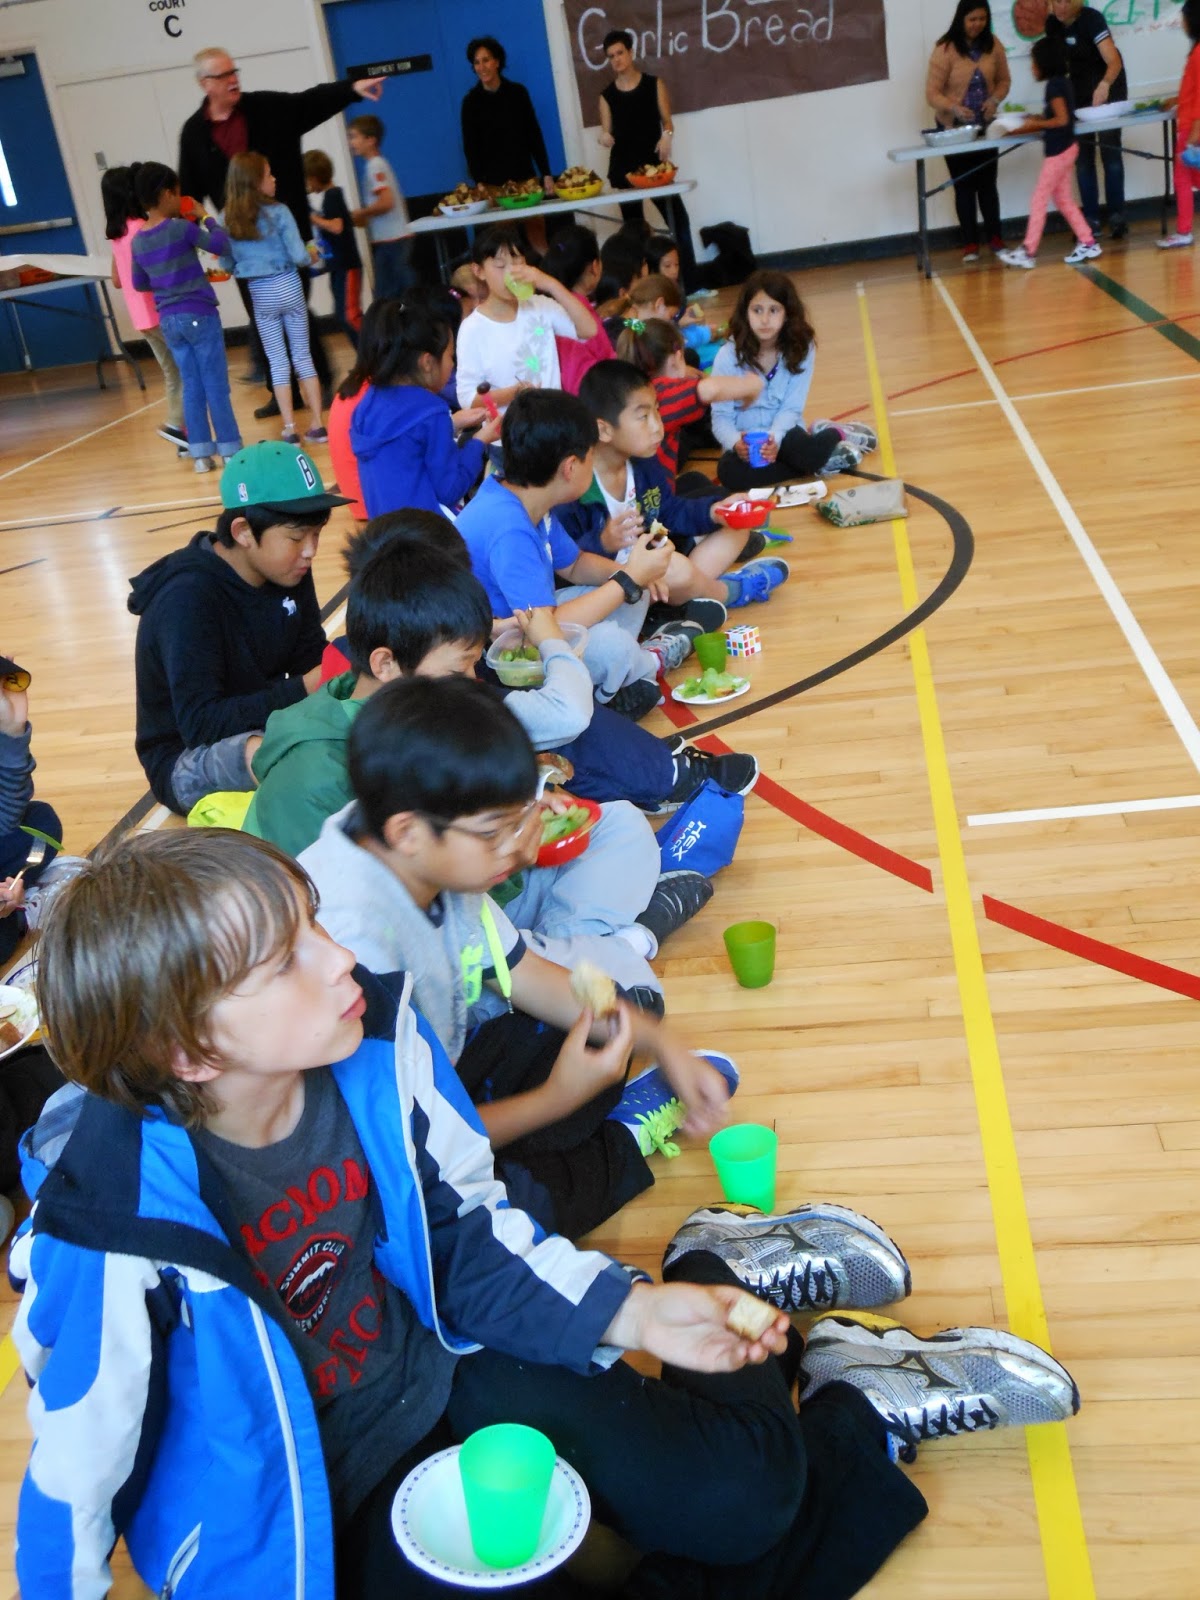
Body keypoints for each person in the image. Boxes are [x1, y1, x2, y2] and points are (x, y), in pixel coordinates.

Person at [12, 825, 1083, 1598]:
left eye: (314, 927)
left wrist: (639, 1314)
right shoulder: (105, 1231)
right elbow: (75, 1469)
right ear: (192, 1050)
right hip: (308, 1511)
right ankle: (852, 1418)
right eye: (285, 959)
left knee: (743, 1502)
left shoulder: (376, 1053)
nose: (340, 958)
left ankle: (721, 1272)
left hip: (445, 1368)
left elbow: (469, 1235)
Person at [301, 677, 735, 1222]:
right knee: (522, 1209)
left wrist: (664, 1044)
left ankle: (585, 1124)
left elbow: (526, 972)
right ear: (408, 831)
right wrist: (555, 1099)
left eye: (519, 820)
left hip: (439, 1074)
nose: (517, 846)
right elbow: (403, 1143)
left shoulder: (417, 849)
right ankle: (619, 1140)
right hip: (382, 1152)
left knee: (609, 1024)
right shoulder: (356, 946)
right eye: (494, 832)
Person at [306, 510, 761, 819]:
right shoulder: (427, 708)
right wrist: (547, 640)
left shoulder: (365, 646)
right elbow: (565, 714)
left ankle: (635, 694)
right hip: (487, 832)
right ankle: (663, 775)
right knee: (567, 718)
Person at [128, 442, 347, 814]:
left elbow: (312, 655)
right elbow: (201, 726)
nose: (310, 550)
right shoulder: (187, 598)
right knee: (278, 755)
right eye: (297, 537)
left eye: (316, 534)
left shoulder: (286, 568)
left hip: (270, 721)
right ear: (244, 531)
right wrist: (305, 687)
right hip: (187, 758)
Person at [456, 389, 699, 720]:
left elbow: (574, 564)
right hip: (504, 661)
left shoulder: (524, 497)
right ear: (570, 467)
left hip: (532, 627)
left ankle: (619, 674)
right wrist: (629, 578)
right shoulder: (508, 527)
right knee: (613, 642)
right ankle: (636, 670)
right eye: (591, 456)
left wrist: (632, 573)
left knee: (631, 591)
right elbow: (542, 629)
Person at [178, 47, 379, 415]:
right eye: (223, 76)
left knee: (295, 312)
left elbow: (310, 102)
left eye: (234, 70)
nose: (233, 79)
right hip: (241, 249)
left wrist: (352, 89)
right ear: (205, 84)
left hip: (288, 238)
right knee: (262, 317)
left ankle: (319, 384)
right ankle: (281, 391)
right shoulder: (194, 134)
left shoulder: (266, 109)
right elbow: (188, 195)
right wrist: (199, 240)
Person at [564, 360, 788, 613]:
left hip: (655, 570)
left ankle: (685, 598)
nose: (657, 426)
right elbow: (563, 563)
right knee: (677, 568)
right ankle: (726, 592)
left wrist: (715, 512)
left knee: (734, 527)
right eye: (643, 417)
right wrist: (602, 542)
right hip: (608, 589)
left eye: (657, 412)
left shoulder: (643, 464)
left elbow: (668, 513)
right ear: (603, 429)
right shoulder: (574, 484)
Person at [710, 271, 877, 491]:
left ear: (787, 313)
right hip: (747, 442)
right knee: (729, 474)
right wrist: (734, 442)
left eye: (774, 310)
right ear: (745, 313)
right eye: (757, 310)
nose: (765, 319)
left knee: (806, 454)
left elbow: (791, 407)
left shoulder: (801, 347)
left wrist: (775, 439)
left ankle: (837, 431)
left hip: (784, 431)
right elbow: (720, 417)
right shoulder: (728, 356)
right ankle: (814, 463)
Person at [128, 162, 242, 475]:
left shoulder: (138, 240)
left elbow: (139, 283)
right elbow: (221, 244)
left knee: (191, 385)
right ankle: (230, 449)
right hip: (199, 314)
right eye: (178, 194)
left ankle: (201, 456)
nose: (182, 200)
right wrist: (204, 215)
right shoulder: (181, 227)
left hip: (169, 319)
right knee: (215, 383)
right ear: (167, 194)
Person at [350, 299, 499, 518]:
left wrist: (452, 423)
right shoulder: (432, 411)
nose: (452, 365)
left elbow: (402, 442)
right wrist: (480, 441)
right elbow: (450, 489)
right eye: (450, 356)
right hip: (427, 540)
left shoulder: (368, 403)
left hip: (384, 538)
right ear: (427, 362)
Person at [221, 151, 327, 446]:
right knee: (302, 356)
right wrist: (313, 252)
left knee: (277, 361)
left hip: (260, 292)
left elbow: (226, 264)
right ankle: (318, 424)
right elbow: (298, 256)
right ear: (256, 181)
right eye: (269, 174)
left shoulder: (226, 218)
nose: (274, 178)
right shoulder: (280, 211)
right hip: (289, 285)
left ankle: (290, 428)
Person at [455, 225, 600, 411]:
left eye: (517, 263)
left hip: (553, 422)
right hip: (509, 434)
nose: (511, 272)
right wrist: (515, 393)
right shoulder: (472, 328)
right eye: (500, 266)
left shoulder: (540, 306)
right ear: (479, 271)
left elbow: (588, 330)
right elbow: (467, 398)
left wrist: (550, 284)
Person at [598, 29, 698, 290]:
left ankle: (691, 284)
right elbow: (606, 131)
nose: (617, 59)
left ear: (630, 53)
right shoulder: (606, 95)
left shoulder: (654, 84)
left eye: (620, 53)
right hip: (624, 169)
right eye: (611, 56)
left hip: (653, 168)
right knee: (634, 235)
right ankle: (640, 290)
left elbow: (668, 122)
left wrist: (667, 136)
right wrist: (604, 138)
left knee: (679, 220)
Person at [617, 315, 762, 488]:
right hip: (651, 503)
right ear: (675, 358)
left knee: (695, 482)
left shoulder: (632, 388)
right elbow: (711, 390)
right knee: (715, 497)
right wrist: (751, 386)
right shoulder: (658, 393)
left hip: (647, 493)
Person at [101, 164, 186, 452]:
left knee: (172, 374)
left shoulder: (116, 235)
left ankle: (182, 434)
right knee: (189, 371)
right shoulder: (140, 229)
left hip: (141, 319)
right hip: (161, 311)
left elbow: (116, 280)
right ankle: (179, 427)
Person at [998, 38, 1102, 270]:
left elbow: (1061, 120)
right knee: (1063, 200)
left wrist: (1028, 127)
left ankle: (1028, 251)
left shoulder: (1054, 86)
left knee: (1039, 199)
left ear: (1044, 63)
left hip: (1059, 153)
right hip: (1066, 149)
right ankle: (1088, 241)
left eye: (1033, 63)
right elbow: (1056, 116)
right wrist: (1034, 119)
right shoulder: (1061, 83)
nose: (1032, 68)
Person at [925, 0, 1011, 261]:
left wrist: (994, 100)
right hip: (954, 129)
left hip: (985, 127)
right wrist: (953, 107)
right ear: (961, 19)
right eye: (972, 19)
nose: (977, 24)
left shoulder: (993, 44)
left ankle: (995, 239)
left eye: (982, 19)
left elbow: (1004, 80)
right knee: (964, 186)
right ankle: (970, 244)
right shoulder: (945, 49)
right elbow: (932, 93)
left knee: (987, 184)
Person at [460, 34, 555, 253]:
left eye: (486, 60)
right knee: (504, 242)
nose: (481, 66)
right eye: (476, 62)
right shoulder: (470, 102)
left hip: (525, 178)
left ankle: (551, 281)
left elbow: (534, 134)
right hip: (494, 185)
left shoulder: (518, 93)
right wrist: (479, 181)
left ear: (497, 62)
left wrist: (546, 172)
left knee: (538, 236)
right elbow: (470, 146)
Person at [1044, 0, 1128, 239]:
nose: (1059, 7)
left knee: (1111, 152)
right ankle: (1090, 220)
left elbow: (1114, 61)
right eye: (1054, 2)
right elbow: (1057, 65)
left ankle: (1117, 216)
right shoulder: (1052, 25)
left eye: (1064, 1)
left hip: (1109, 85)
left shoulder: (1092, 19)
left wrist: (1104, 85)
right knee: (1083, 158)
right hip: (1079, 90)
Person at [539, 222, 617, 393]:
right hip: (593, 394)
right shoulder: (580, 309)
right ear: (594, 267)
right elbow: (606, 357)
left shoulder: (550, 305)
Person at [347, 115, 412, 301]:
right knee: (395, 292)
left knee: (388, 296)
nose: (351, 142)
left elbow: (386, 202)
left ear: (370, 140)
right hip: (392, 238)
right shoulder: (378, 165)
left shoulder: (375, 166)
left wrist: (361, 213)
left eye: (354, 136)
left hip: (392, 239)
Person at [305, 148, 363, 347]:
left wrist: (312, 217)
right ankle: (367, 359)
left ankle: (373, 356)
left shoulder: (333, 195)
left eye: (308, 180)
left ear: (314, 177)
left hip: (347, 266)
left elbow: (337, 226)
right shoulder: (330, 197)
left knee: (350, 315)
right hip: (339, 267)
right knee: (342, 314)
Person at [1158, 0, 1200, 248]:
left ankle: (1184, 231)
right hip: (1188, 123)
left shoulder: (1198, 54)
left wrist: (1195, 130)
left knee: (1182, 179)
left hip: (1191, 128)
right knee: (1189, 177)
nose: (1181, 23)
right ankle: (1183, 230)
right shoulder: (1195, 52)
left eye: (1183, 18)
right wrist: (1177, 99)